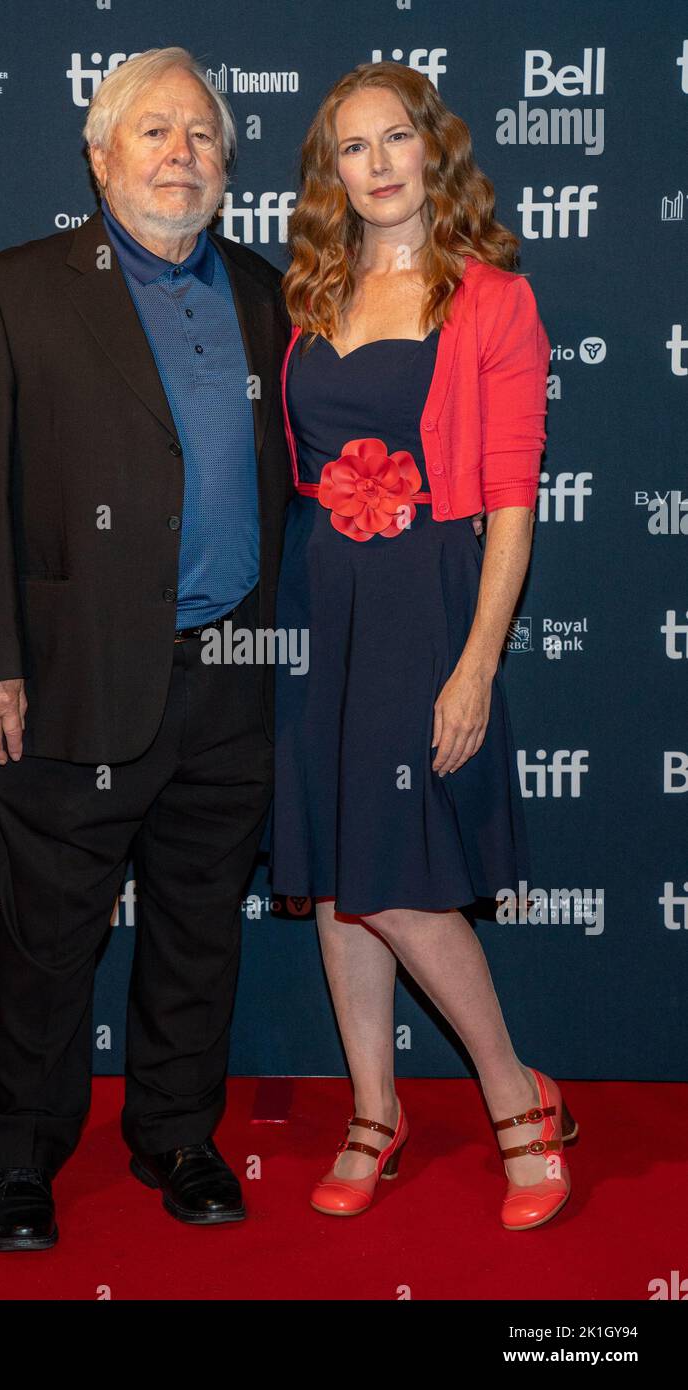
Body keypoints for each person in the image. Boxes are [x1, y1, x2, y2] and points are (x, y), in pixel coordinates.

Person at [0, 46, 294, 1247]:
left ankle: (178, 1134)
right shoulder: (13, 289)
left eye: (199, 135)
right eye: (152, 132)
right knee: (49, 936)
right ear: (98, 156)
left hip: (229, 676)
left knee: (200, 924)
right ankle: (20, 1154)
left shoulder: (264, 291)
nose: (179, 152)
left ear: (226, 166)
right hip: (70, 677)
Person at [270, 62, 579, 1231]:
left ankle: (515, 1098)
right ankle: (371, 1107)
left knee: (395, 877)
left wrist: (476, 662)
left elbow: (509, 495)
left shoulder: (492, 298)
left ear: (430, 150)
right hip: (323, 602)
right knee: (348, 877)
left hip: (428, 600)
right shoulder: (309, 291)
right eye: (352, 148)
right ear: (331, 173)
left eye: (394, 138)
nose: (377, 163)